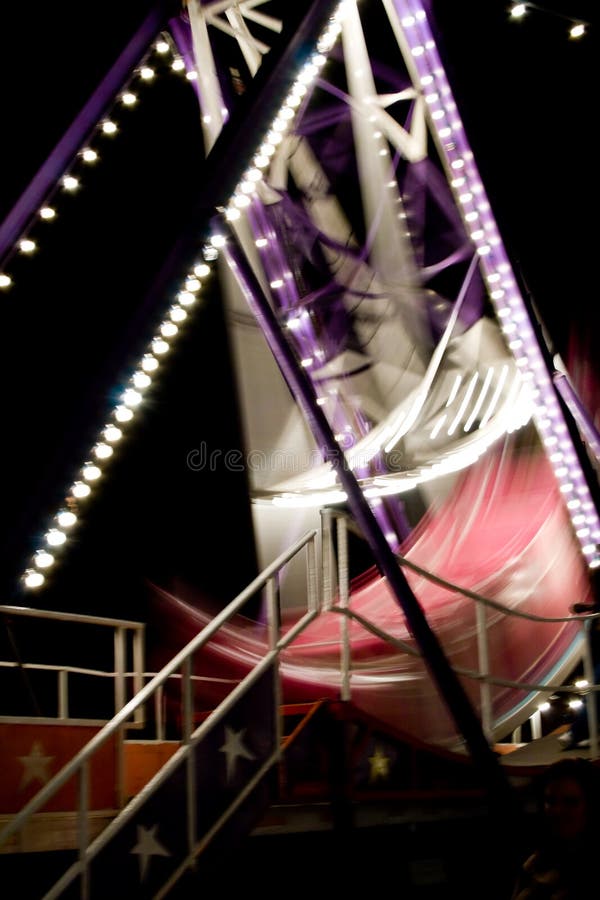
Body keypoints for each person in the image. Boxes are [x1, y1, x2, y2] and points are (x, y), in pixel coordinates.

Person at [511, 757, 600, 899]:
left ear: (590, 807)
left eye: (570, 802)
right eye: (551, 801)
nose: (557, 811)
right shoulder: (536, 860)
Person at [559, 570, 600, 751]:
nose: (593, 588)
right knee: (594, 693)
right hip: (596, 659)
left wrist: (585, 608)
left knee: (594, 692)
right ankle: (584, 734)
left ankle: (576, 733)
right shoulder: (595, 611)